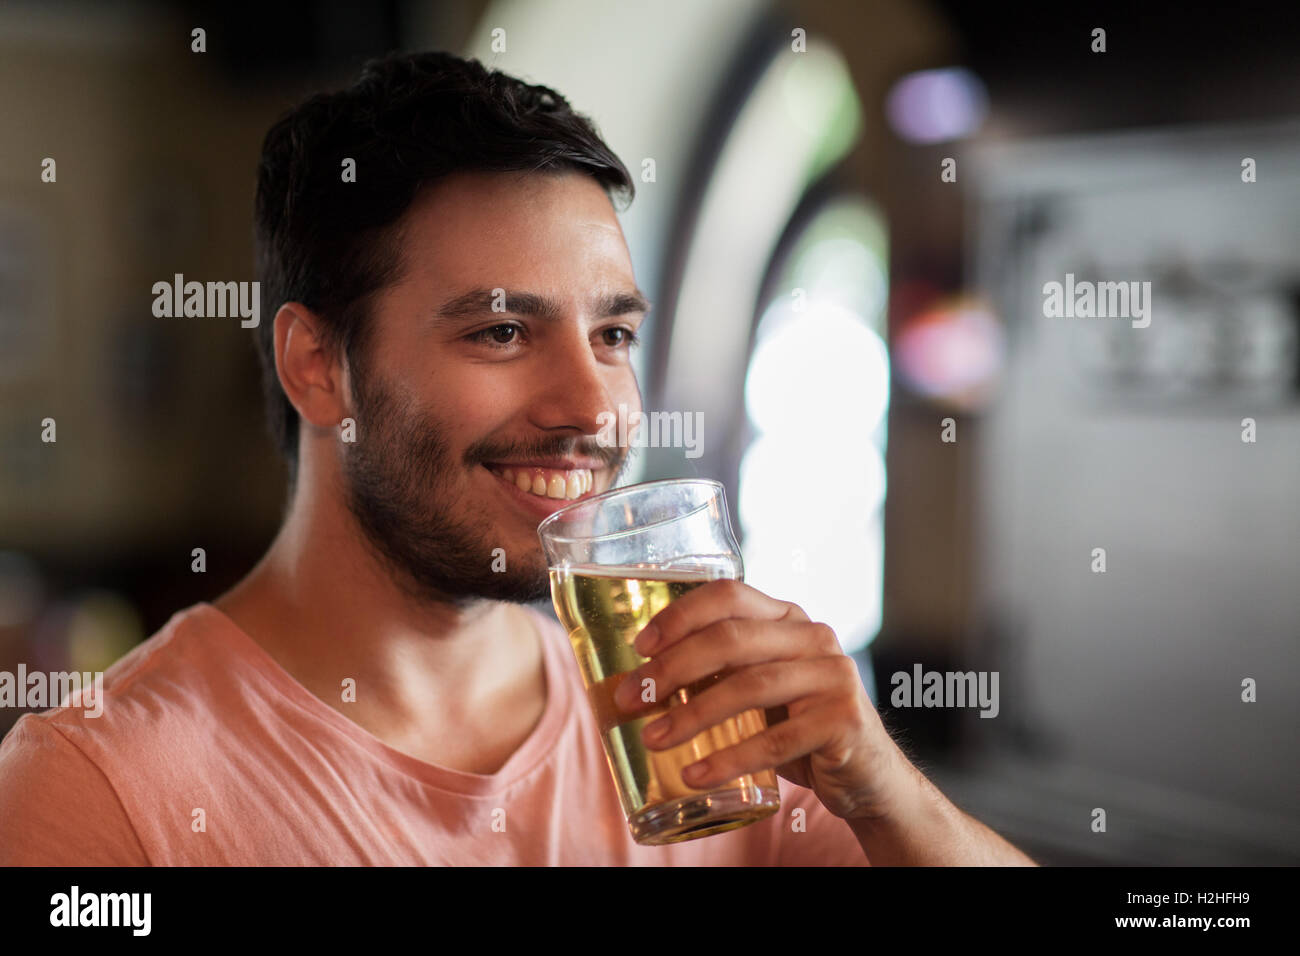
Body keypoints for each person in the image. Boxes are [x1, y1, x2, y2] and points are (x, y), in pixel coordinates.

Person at [0, 50, 1034, 866]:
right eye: (500, 332)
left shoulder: (695, 727)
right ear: (318, 366)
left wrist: (880, 785)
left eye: (613, 335)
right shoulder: (98, 785)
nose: (591, 405)